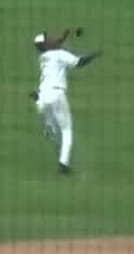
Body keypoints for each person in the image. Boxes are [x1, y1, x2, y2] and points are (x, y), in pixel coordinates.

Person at [31, 30, 101, 176]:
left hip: (44, 96)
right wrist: (94, 55)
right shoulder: (59, 54)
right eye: (48, 38)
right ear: (46, 44)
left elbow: (53, 44)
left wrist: (64, 36)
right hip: (57, 95)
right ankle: (64, 164)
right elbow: (79, 63)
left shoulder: (43, 57)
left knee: (52, 131)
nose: (51, 38)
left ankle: (50, 131)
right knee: (67, 130)